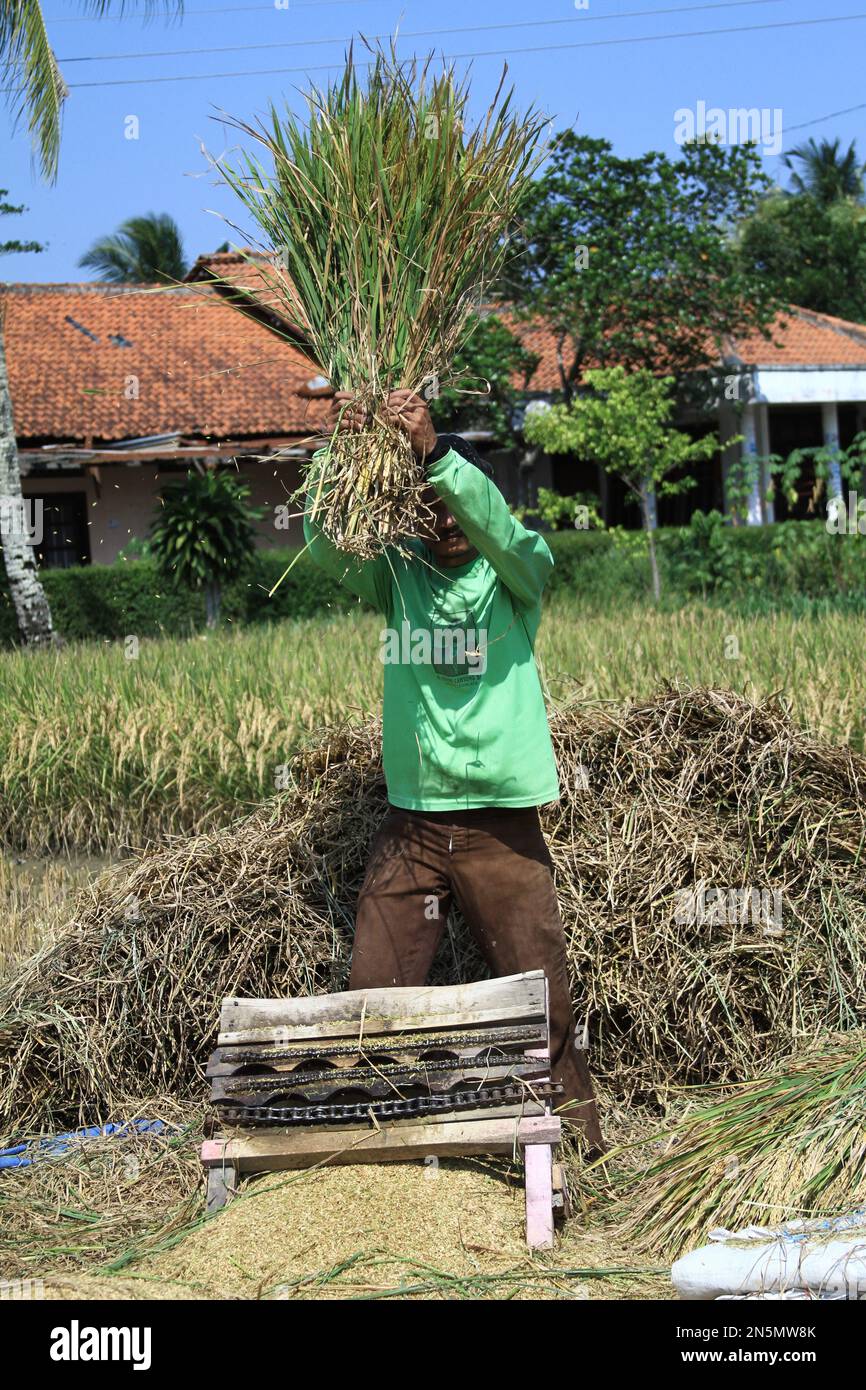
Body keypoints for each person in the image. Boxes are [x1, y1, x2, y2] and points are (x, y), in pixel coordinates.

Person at [303, 388, 604, 1155]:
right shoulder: (398, 579)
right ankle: (374, 1149)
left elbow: (503, 530)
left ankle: (578, 1149)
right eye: (427, 508)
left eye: (453, 506)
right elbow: (326, 547)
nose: (445, 523)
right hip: (415, 825)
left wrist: (436, 456)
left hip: (502, 826)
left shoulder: (517, 574)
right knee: (375, 994)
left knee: (541, 1001)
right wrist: (346, 449)